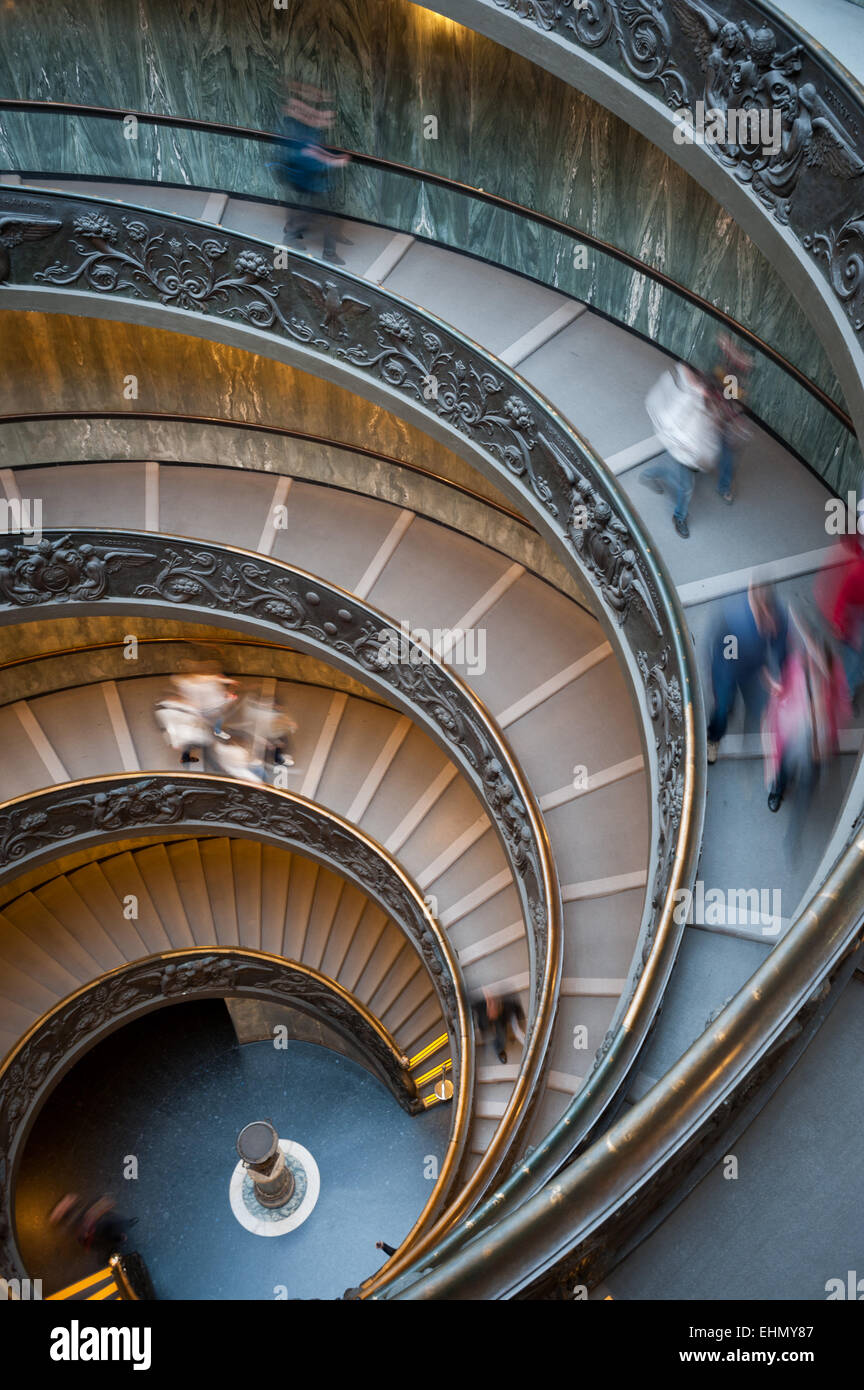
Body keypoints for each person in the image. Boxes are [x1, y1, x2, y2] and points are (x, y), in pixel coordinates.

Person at [705, 581, 789, 764]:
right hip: (727, 668)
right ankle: (713, 738)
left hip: (751, 667)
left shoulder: (779, 615)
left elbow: (780, 644)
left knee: (756, 705)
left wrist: (783, 677)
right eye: (768, 623)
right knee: (722, 709)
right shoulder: (734, 620)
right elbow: (729, 658)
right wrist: (765, 675)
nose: (772, 627)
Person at [272, 82, 351, 264]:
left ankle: (293, 234)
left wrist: (331, 158)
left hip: (308, 178)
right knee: (321, 215)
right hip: (305, 179)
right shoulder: (295, 127)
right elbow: (307, 154)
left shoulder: (305, 126)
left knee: (312, 212)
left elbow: (314, 149)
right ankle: (325, 251)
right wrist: (333, 161)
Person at [641, 362, 721, 538]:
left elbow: (708, 431)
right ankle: (679, 517)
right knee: (686, 488)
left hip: (696, 455)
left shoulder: (711, 406)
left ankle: (649, 475)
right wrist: (687, 446)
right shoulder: (689, 400)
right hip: (686, 453)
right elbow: (671, 423)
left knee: (675, 473)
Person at [707, 332, 753, 504]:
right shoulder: (726, 370)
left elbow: (732, 397)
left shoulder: (733, 373)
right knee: (724, 454)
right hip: (721, 417)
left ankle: (723, 486)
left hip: (725, 419)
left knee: (726, 456)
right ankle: (723, 486)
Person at [472, 987, 526, 1064]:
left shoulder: (507, 1001)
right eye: (491, 1013)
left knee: (502, 1032)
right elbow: (483, 1026)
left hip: (502, 1014)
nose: (492, 1015)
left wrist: (519, 1020)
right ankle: (500, 1050)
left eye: (494, 1012)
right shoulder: (481, 1010)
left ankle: (500, 1048)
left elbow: (517, 1009)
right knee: (499, 1035)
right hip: (493, 1017)